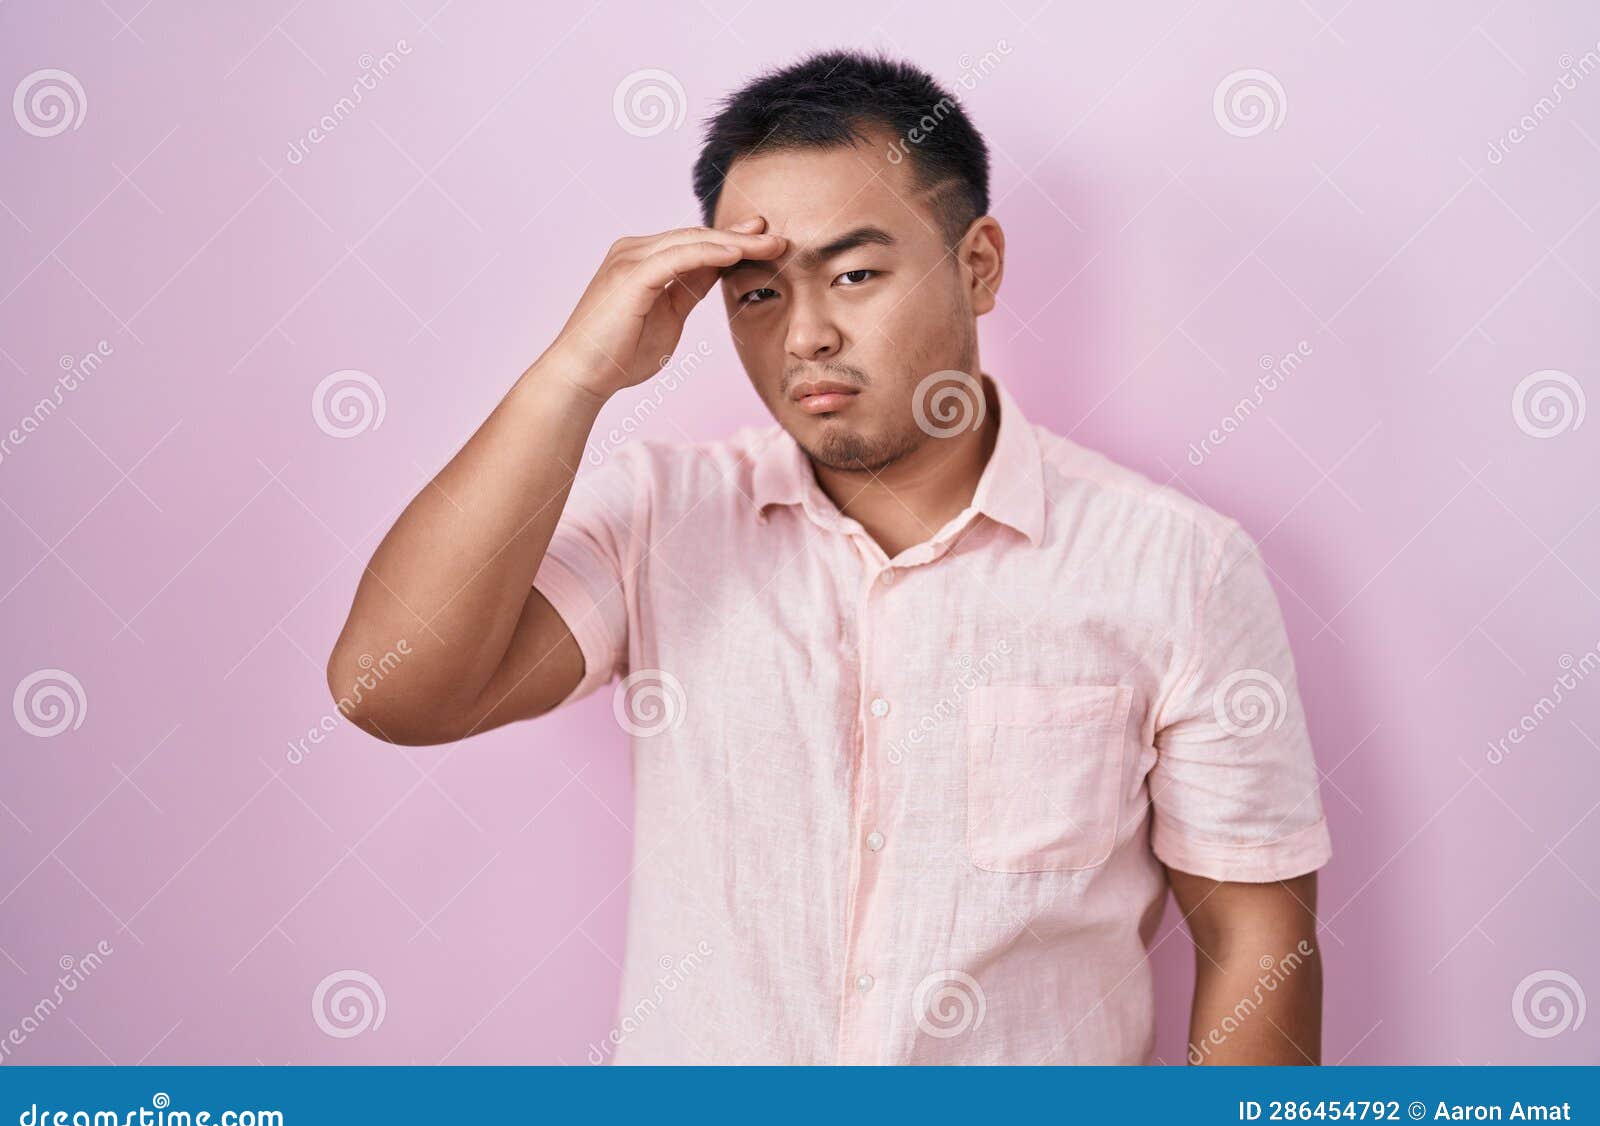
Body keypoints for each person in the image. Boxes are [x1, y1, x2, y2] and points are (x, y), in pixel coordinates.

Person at [327, 49, 1332, 1065]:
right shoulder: (662, 516)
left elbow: (1254, 933)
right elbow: (394, 692)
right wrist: (575, 374)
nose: (805, 335)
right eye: (757, 294)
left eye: (855, 275)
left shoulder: (1177, 565)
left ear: (977, 266)